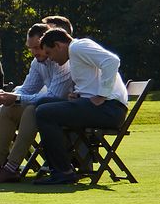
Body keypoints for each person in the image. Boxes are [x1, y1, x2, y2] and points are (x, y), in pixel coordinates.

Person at [0, 23, 70, 182]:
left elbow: (53, 96)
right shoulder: (38, 62)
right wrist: (11, 96)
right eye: (30, 48)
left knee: (30, 110)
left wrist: (16, 98)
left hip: (62, 110)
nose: (34, 53)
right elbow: (28, 88)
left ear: (46, 43)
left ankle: (11, 168)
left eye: (37, 47)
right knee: (9, 108)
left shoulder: (62, 63)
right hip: (48, 108)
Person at [31, 27, 127, 185]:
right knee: (43, 104)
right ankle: (60, 167)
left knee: (44, 112)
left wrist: (102, 95)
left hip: (110, 110)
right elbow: (93, 78)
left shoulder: (77, 47)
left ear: (58, 45)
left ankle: (63, 171)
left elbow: (112, 61)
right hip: (104, 108)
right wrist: (79, 94)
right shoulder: (75, 52)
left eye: (49, 53)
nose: (50, 59)